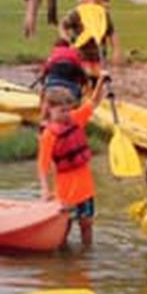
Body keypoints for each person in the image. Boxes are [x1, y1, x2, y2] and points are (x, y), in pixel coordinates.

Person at [37, 78, 107, 249]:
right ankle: (63, 261)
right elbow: (43, 166)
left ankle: (86, 255)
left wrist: (101, 82)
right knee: (64, 230)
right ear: (50, 110)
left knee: (87, 225)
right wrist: (45, 190)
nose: (66, 114)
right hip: (66, 192)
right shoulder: (49, 135)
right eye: (61, 111)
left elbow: (94, 102)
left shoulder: (76, 119)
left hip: (85, 188)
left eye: (68, 110)